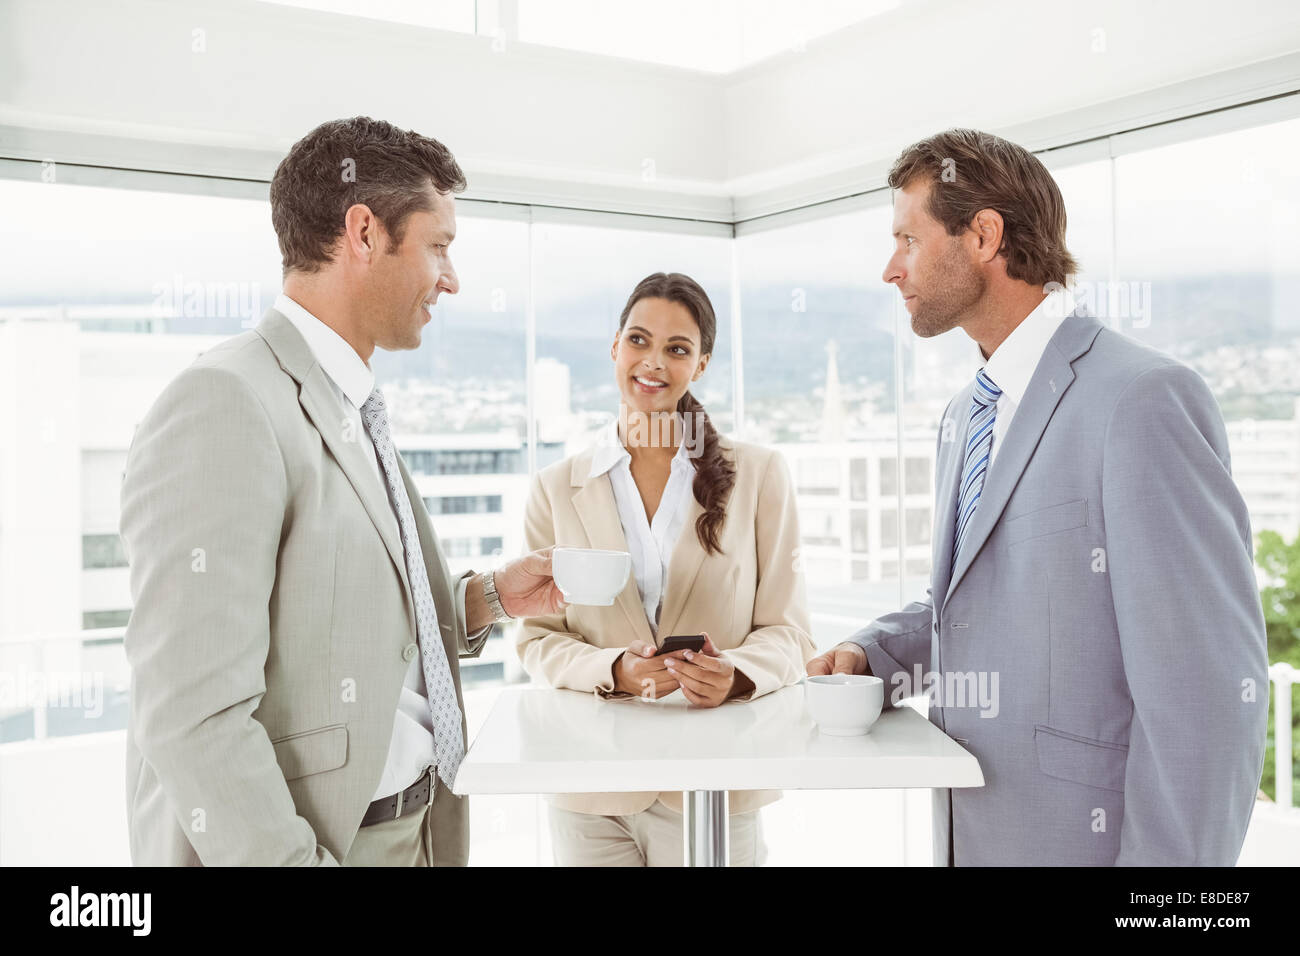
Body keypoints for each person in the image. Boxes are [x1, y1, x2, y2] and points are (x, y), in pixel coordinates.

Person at [808, 128, 1269, 866]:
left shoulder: (1142, 400)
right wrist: (875, 654)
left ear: (984, 235)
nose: (890, 269)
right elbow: (978, 608)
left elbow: (1207, 700)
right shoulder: (966, 415)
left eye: (907, 238)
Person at [120, 116, 565, 866]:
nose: (451, 279)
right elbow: (191, 715)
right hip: (326, 845)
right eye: (439, 246)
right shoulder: (225, 401)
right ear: (364, 232)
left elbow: (345, 625)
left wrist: (486, 598)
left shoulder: (347, 400)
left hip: (416, 829)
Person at [518, 272, 815, 866]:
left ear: (701, 364)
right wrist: (613, 672)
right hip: (590, 787)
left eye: (677, 349)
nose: (652, 362)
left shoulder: (759, 476)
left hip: (715, 782)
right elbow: (538, 639)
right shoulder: (555, 488)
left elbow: (790, 632)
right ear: (614, 348)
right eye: (638, 340)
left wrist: (737, 675)